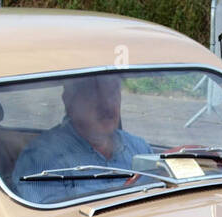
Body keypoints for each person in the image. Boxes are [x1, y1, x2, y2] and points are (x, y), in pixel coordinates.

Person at [10, 74, 150, 203]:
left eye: (113, 93)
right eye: (94, 95)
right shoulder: (42, 158)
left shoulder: (138, 147)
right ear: (69, 101)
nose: (107, 104)